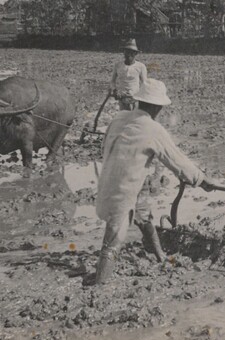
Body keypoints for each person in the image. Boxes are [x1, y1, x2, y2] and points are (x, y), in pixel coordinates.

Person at [93, 79, 217, 285]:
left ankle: (160, 256)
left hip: (107, 183)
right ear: (158, 107)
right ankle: (98, 286)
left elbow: (105, 146)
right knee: (112, 242)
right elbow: (177, 160)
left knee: (143, 214)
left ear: (139, 100)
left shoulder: (118, 118)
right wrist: (201, 180)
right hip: (121, 193)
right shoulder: (152, 129)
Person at [109, 38, 148, 111]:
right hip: (122, 98)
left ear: (136, 53)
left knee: (134, 116)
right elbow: (112, 81)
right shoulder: (118, 65)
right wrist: (115, 91)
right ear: (124, 52)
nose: (129, 54)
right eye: (127, 51)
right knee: (123, 116)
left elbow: (144, 83)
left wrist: (139, 95)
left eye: (132, 52)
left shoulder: (141, 66)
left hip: (135, 97)